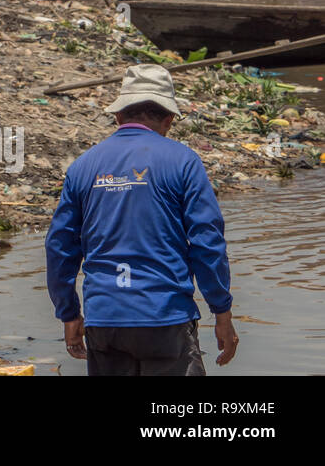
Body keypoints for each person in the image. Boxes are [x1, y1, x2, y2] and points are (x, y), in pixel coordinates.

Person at [45, 64, 238, 375]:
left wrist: (69, 313)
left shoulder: (83, 166)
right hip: (164, 317)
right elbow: (207, 242)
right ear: (169, 119)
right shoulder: (183, 161)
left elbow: (59, 247)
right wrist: (222, 312)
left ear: (118, 116)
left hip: (104, 318)